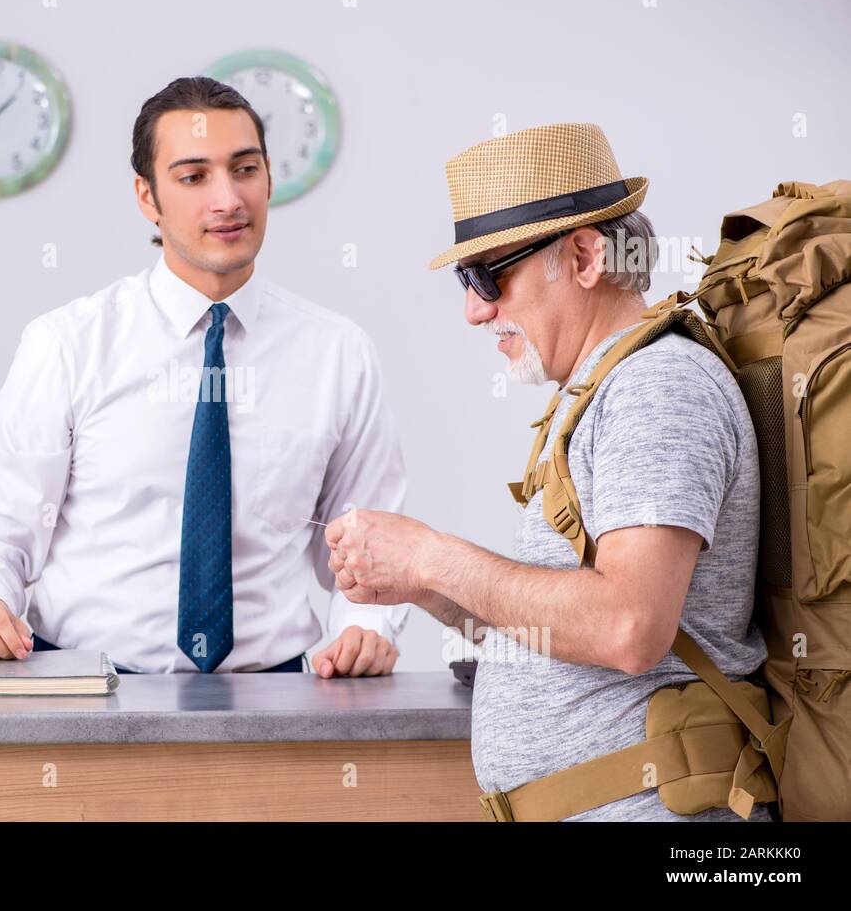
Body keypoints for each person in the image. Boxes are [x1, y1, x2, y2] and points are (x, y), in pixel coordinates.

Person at [324, 123, 769, 819]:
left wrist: (434, 557)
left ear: (585, 256)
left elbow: (628, 626)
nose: (474, 310)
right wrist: (419, 582)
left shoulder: (658, 385)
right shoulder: (598, 393)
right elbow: (557, 626)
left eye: (488, 275)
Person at [0, 76, 409, 676]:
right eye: (194, 177)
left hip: (278, 696)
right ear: (148, 196)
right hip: (86, 692)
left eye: (245, 170)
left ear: (269, 178)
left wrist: (365, 628)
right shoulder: (66, 345)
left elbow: (365, 544)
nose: (228, 199)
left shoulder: (338, 353)